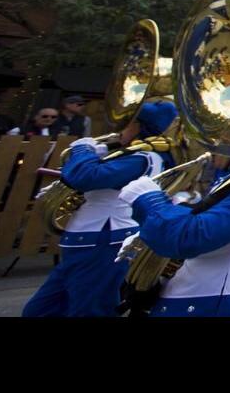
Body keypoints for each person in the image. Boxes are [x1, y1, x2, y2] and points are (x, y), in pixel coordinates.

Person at [116, 128, 230, 317]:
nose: (209, 146)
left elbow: (192, 237)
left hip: (215, 304)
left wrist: (150, 201)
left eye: (217, 136)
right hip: (203, 299)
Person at [22, 101, 177, 317]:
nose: (120, 130)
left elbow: (85, 177)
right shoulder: (131, 155)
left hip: (102, 241)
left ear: (139, 127)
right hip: (88, 239)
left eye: (127, 124)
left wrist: (83, 149)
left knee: (90, 310)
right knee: (40, 311)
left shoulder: (143, 158)